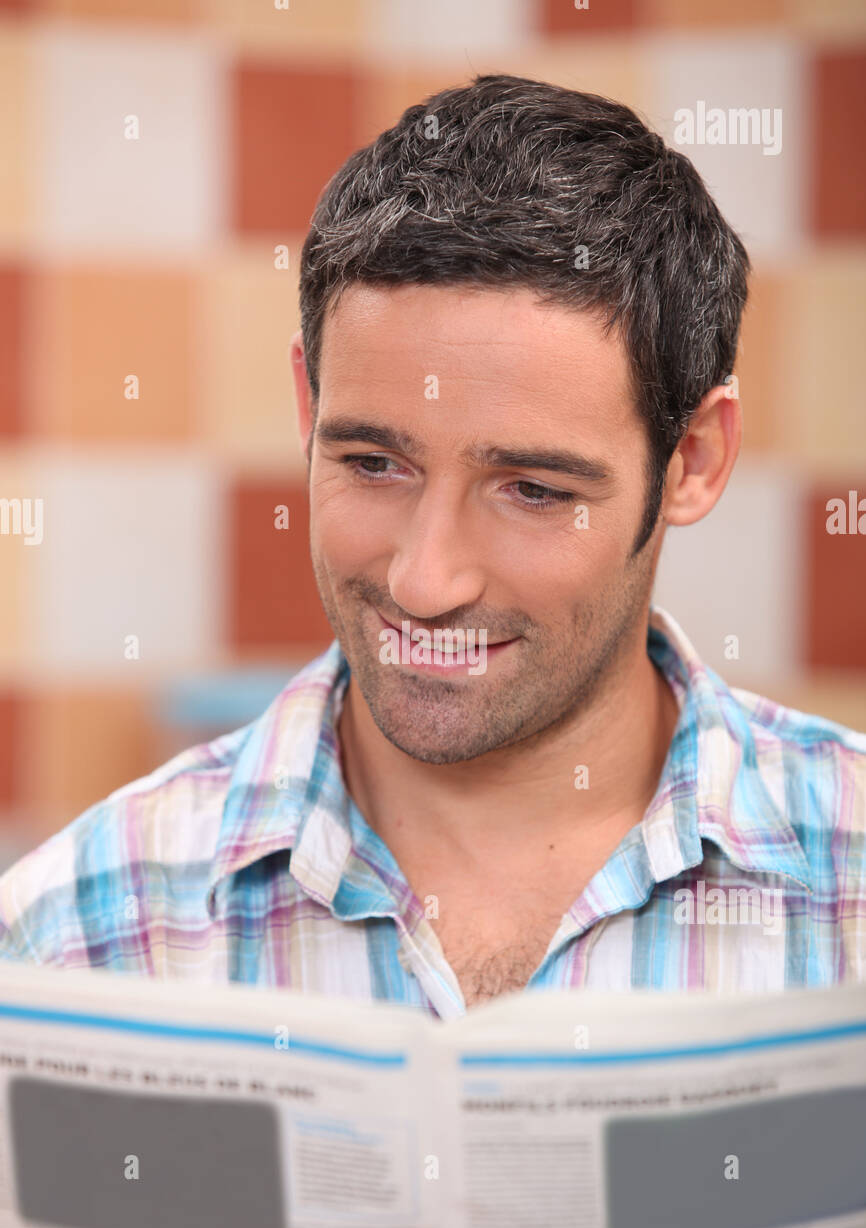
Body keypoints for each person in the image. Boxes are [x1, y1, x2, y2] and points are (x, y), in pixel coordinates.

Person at [1, 75, 863, 1016]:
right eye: (374, 463)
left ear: (693, 460)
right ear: (309, 408)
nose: (424, 579)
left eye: (532, 490)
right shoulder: (70, 941)